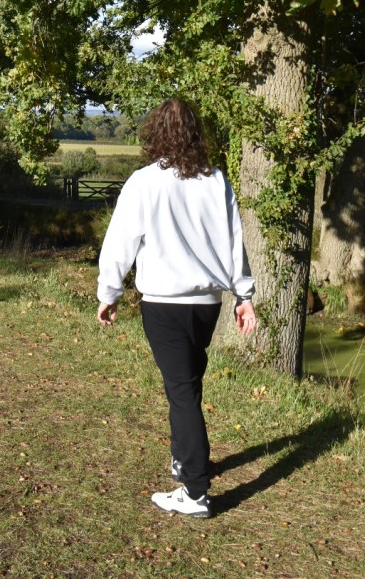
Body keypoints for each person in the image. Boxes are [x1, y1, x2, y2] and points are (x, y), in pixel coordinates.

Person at [97, 98, 257, 519]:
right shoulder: (215, 180)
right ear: (195, 135)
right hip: (206, 304)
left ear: (155, 134)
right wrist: (243, 296)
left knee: (182, 391)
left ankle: (195, 492)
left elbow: (120, 243)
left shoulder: (144, 182)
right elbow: (234, 242)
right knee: (188, 383)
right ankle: (185, 458)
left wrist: (109, 293)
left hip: (164, 304)